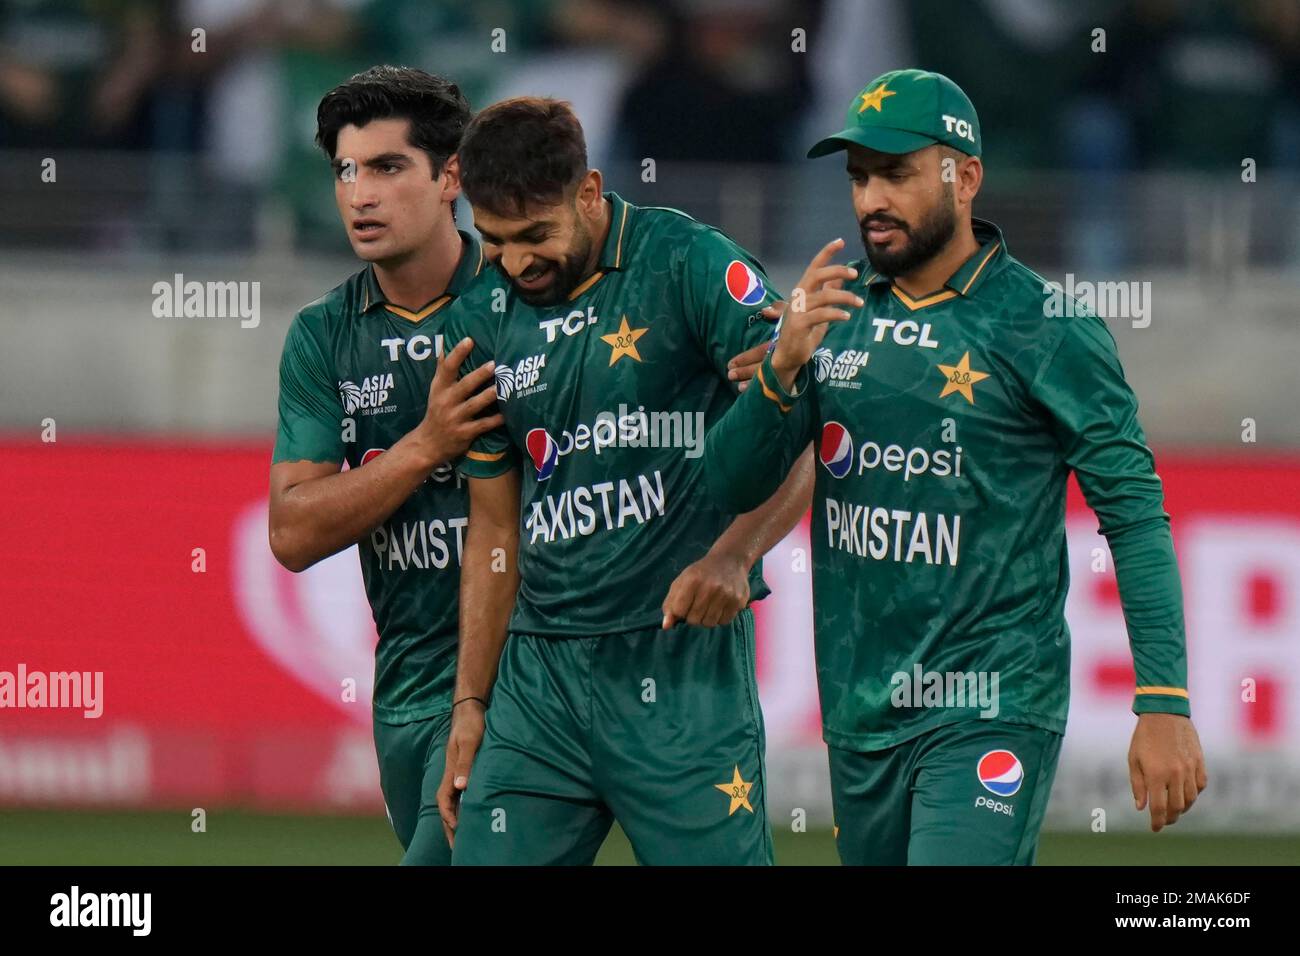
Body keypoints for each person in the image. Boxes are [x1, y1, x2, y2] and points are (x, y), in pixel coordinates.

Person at [702, 69, 1208, 865]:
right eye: (859, 177)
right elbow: (728, 487)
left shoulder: (1047, 325)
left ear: (964, 177)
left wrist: (1165, 702)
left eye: (896, 174)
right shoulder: (829, 317)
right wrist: (779, 373)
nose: (871, 198)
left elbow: (1135, 514)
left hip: (992, 703)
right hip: (861, 710)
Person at [436, 96, 814, 865]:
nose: (515, 263)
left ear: (588, 191)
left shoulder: (691, 263)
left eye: (535, 236)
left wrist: (734, 556)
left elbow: (803, 431)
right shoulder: (480, 316)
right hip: (537, 689)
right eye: (495, 240)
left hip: (679, 675)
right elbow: (495, 528)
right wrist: (471, 702)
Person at [268, 66, 500, 865]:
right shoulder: (323, 337)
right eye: (345, 169)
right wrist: (424, 449)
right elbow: (293, 532)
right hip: (404, 685)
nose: (360, 193)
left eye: (388, 166)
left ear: (451, 177)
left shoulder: (517, 304)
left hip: (521, 673)